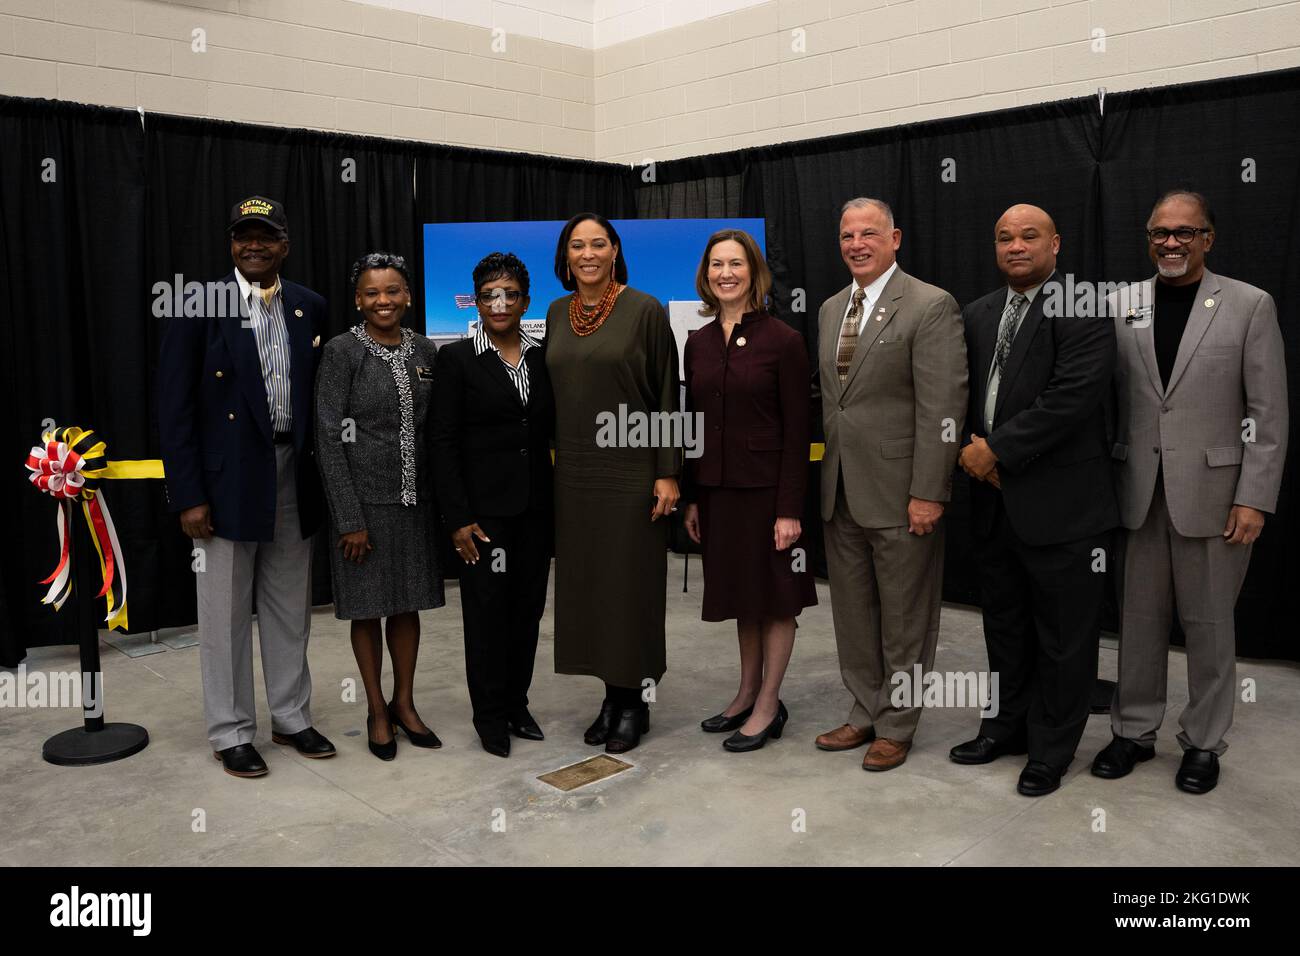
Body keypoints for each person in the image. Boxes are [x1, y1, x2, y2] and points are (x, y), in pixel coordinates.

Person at [1093, 190, 1288, 794]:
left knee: (1209, 625)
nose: (1170, 243)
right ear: (1147, 238)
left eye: (1184, 232)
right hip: (1137, 493)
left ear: (1208, 238)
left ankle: (1203, 741)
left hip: (1216, 494)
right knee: (1138, 621)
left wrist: (1254, 497)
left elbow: (1268, 411)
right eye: (1159, 233)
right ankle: (1133, 731)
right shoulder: (1121, 305)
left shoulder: (1250, 305)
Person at [158, 196, 335, 777]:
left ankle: (290, 717)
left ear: (285, 243)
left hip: (291, 472)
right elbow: (174, 408)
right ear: (231, 243)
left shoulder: (310, 306)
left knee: (289, 606)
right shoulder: (195, 306)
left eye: (266, 235)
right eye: (244, 236)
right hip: (224, 480)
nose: (254, 245)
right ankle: (231, 729)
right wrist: (188, 494)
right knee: (225, 611)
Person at [950, 205, 1118, 797]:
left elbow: (1072, 398)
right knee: (1006, 629)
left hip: (1064, 506)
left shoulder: (1083, 306)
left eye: (1029, 236)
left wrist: (995, 452)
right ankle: (1005, 728)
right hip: (994, 505)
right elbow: (963, 397)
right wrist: (972, 452)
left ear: (1056, 244)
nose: (1015, 245)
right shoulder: (977, 313)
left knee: (1064, 639)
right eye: (1004, 237)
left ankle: (1051, 749)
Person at [812, 197, 967, 772]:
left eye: (869, 233)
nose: (856, 243)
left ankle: (897, 724)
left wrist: (930, 490)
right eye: (847, 234)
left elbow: (942, 407)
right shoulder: (830, 309)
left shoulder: (930, 306)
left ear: (895, 238)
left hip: (904, 494)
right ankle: (864, 710)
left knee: (905, 618)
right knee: (852, 613)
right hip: (842, 491)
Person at [544, 212, 681, 755]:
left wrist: (668, 472)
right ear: (566, 256)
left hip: (632, 472)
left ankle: (634, 701)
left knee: (631, 588)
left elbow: (669, 395)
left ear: (616, 250)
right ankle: (611, 695)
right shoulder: (557, 313)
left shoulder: (644, 309)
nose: (588, 253)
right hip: (575, 475)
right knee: (591, 589)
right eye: (577, 245)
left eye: (598, 243)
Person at [681, 229, 815, 752]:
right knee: (743, 597)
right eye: (717, 264)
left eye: (736, 263)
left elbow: (798, 432)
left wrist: (789, 510)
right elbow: (694, 424)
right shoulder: (697, 342)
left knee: (777, 599)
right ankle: (745, 691)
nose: (726, 273)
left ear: (754, 272)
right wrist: (693, 495)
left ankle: (769, 703)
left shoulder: (784, 340)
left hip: (767, 495)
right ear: (706, 275)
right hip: (717, 493)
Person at [315, 252, 444, 761]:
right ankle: (375, 709)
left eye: (393, 291)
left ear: (408, 296)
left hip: (415, 504)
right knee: (367, 611)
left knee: (407, 605)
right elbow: (328, 438)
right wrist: (349, 518)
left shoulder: (426, 350)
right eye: (372, 293)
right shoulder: (343, 353)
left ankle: (405, 704)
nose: (383, 301)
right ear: (358, 300)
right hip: (362, 509)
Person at [430, 253, 554, 759]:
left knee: (527, 612)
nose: (500, 303)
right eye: (489, 295)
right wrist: (458, 518)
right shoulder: (457, 359)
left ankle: (516, 705)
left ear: (525, 301)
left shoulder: (545, 356)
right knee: (486, 616)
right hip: (482, 517)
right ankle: (489, 716)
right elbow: (442, 442)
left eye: (510, 294)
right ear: (476, 301)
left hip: (536, 511)